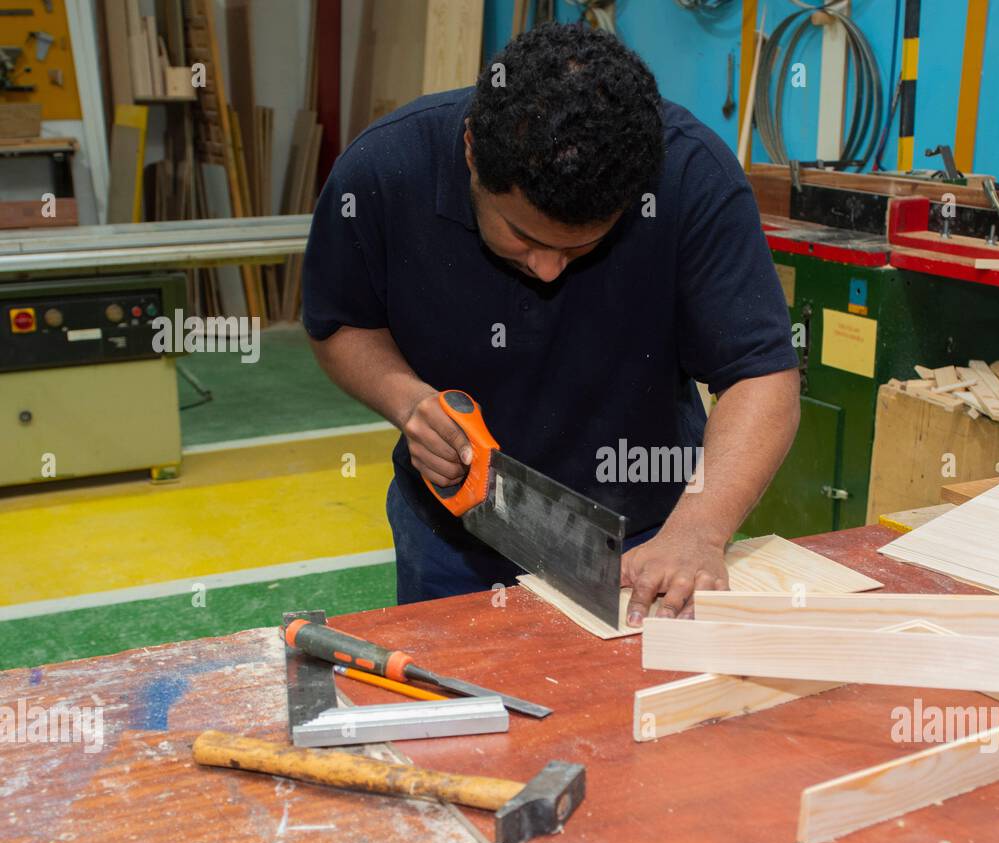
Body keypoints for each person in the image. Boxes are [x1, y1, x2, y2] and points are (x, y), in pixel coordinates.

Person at [303, 22, 798, 625]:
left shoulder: (692, 175)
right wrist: (408, 403)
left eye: (581, 246)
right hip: (450, 535)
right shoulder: (383, 170)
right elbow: (339, 324)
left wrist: (698, 530)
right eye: (523, 235)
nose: (545, 268)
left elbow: (761, 375)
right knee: (456, 710)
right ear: (470, 155)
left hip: (647, 543)